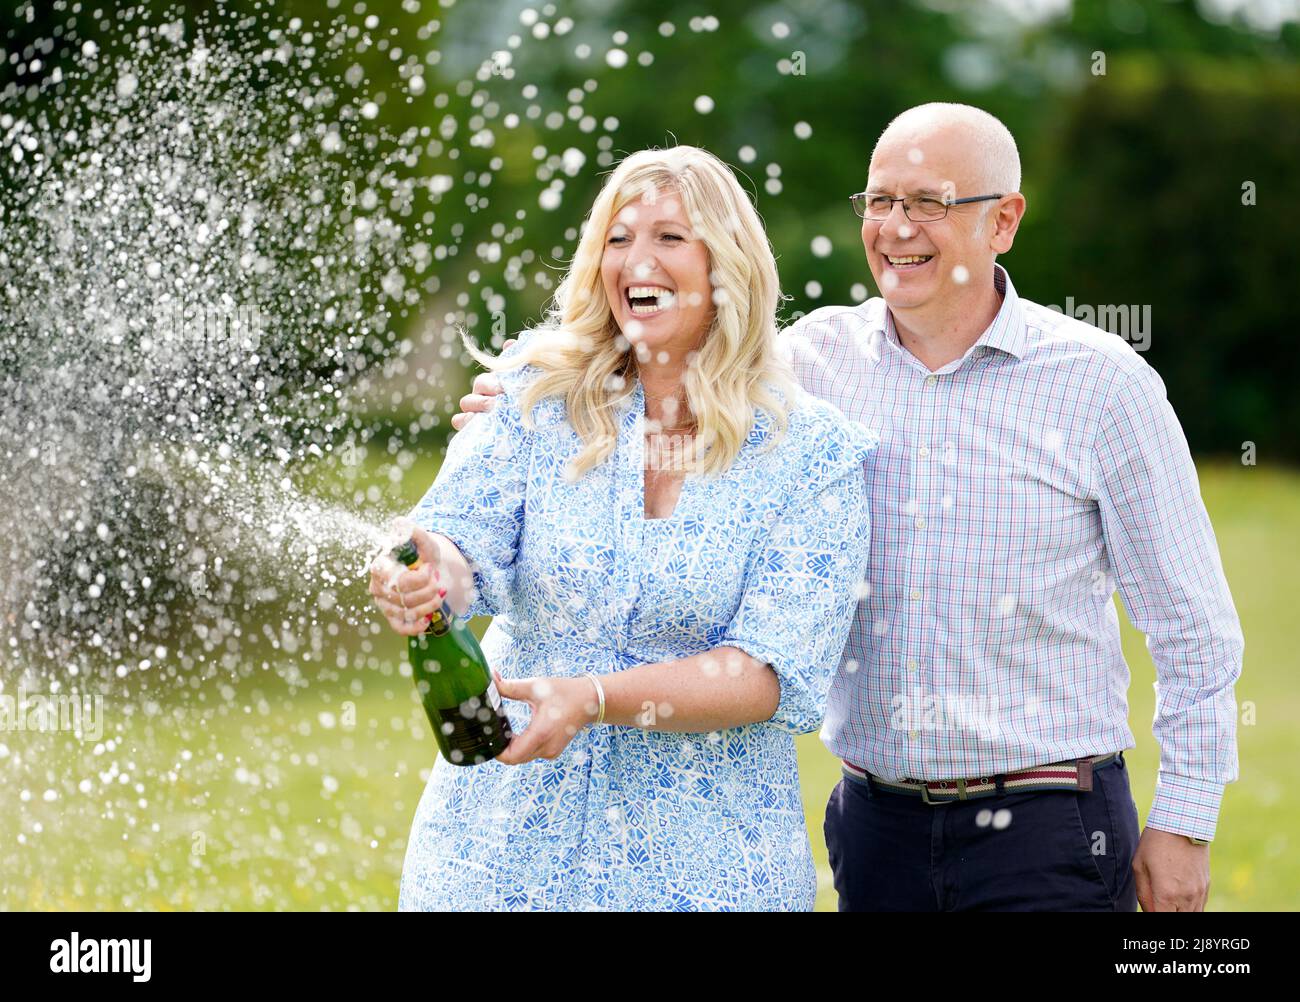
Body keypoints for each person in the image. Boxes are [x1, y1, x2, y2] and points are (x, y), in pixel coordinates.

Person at [459, 105, 1244, 912]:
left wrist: (1185, 825)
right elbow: (667, 370)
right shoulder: (803, 367)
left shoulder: (1101, 385)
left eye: (929, 203)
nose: (896, 227)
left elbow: (1192, 626)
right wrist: (524, 395)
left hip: (1047, 828)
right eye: (880, 201)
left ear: (1004, 221)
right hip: (876, 828)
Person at [371, 145, 877, 911]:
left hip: (706, 866)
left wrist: (596, 696)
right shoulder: (534, 395)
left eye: (670, 237)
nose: (637, 261)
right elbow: (459, 538)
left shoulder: (809, 452)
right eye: (617, 238)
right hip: (502, 854)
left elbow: (770, 672)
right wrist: (427, 571)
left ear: (726, 264)